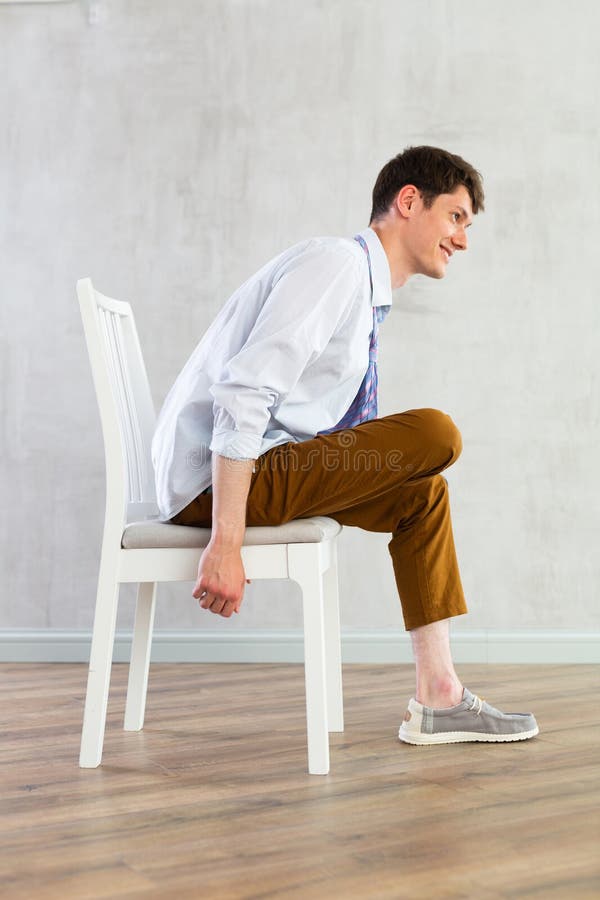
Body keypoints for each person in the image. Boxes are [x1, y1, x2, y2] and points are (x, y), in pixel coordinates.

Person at [152, 145, 539, 745]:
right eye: (457, 217)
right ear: (409, 201)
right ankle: (438, 697)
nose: (463, 239)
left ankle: (439, 696)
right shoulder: (335, 266)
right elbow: (244, 393)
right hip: (221, 477)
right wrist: (225, 543)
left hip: (267, 466)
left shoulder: (363, 289)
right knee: (437, 433)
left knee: (422, 495)